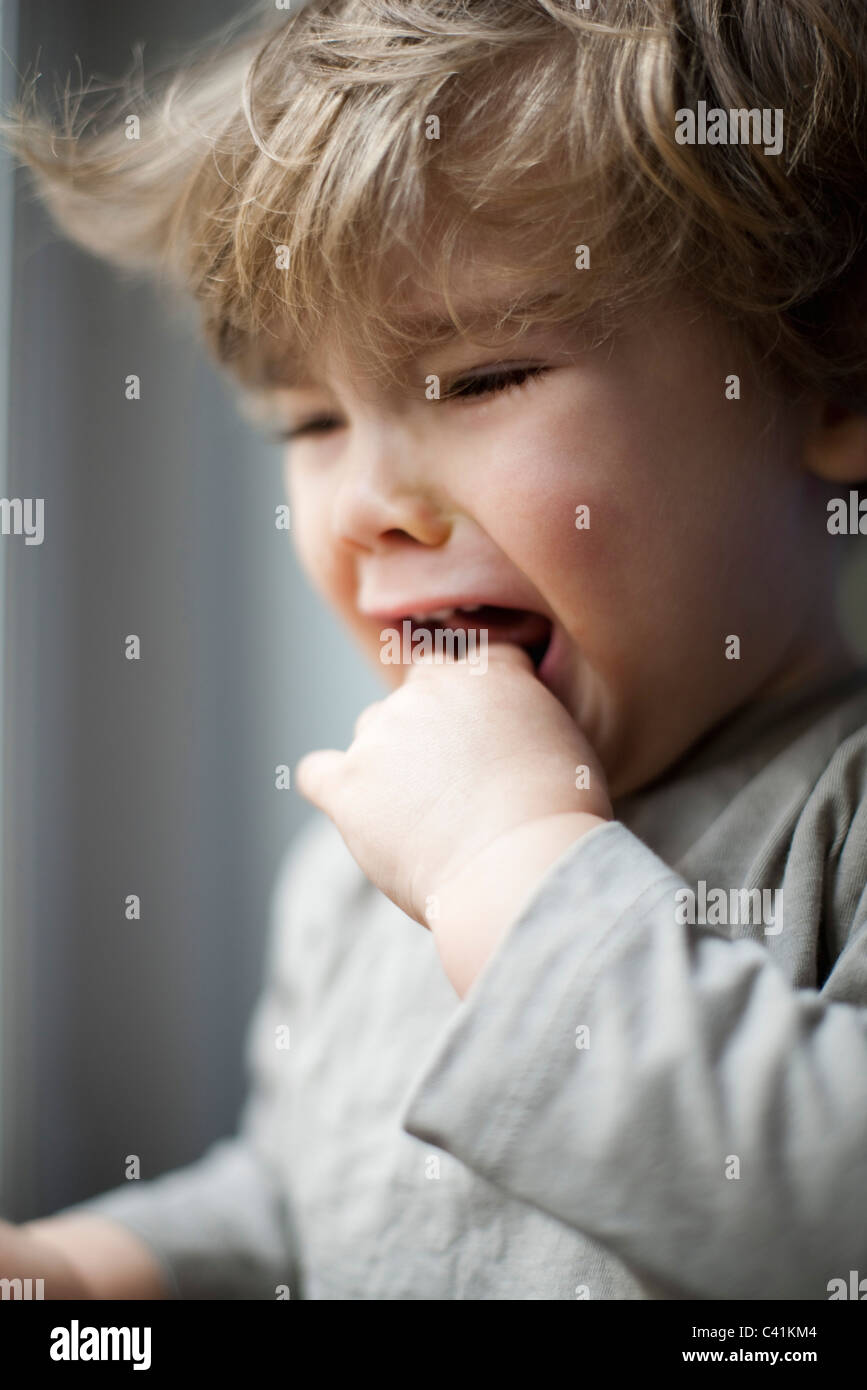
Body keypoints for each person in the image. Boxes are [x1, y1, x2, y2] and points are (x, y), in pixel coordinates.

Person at [1, 0, 867, 1300]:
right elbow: (312, 1199)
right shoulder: (357, 884)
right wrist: (84, 1268)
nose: (369, 504)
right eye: (307, 420)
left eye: (479, 378)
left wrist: (514, 870)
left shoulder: (839, 823)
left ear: (833, 375)